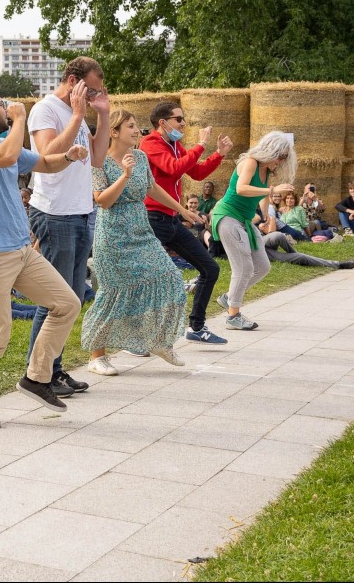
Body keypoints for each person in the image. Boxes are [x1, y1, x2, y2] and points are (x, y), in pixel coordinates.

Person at [0, 80, 87, 427]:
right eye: (1, 103)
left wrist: (68, 157)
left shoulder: (3, 142)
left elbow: (43, 163)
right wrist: (18, 119)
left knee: (67, 303)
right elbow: (8, 157)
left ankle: (36, 378)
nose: (6, 106)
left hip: (21, 250)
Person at [25, 57, 113, 394]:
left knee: (72, 298)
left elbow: (99, 158)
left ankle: (54, 370)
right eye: (91, 90)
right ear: (73, 80)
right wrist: (77, 115)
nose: (93, 96)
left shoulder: (82, 113)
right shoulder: (46, 110)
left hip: (80, 211)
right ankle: (39, 375)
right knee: (55, 300)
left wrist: (102, 115)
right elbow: (47, 155)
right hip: (54, 213)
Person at [83, 110, 193, 376]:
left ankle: (159, 340)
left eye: (136, 126)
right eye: (130, 126)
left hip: (141, 232)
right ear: (114, 132)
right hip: (113, 237)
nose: (136, 130)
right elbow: (103, 201)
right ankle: (97, 356)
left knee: (171, 279)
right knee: (112, 294)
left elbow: (152, 188)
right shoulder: (99, 162)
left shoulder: (141, 157)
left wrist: (182, 209)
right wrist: (124, 175)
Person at [139, 100, 232, 346]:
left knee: (210, 268)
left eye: (183, 119)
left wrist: (218, 154)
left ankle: (197, 327)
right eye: (179, 119)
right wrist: (201, 144)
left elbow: (197, 173)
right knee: (149, 278)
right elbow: (173, 168)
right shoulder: (150, 144)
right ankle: (139, 336)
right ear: (163, 122)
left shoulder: (175, 144)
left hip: (171, 219)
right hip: (153, 218)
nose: (183, 123)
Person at [210, 132, 297, 329]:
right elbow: (242, 188)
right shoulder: (250, 162)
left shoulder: (266, 172)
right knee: (244, 268)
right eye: (280, 157)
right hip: (228, 217)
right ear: (270, 151)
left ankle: (229, 298)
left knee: (263, 266)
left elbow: (262, 196)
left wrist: (266, 216)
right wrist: (272, 191)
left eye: (284, 159)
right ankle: (233, 316)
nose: (281, 162)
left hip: (245, 221)